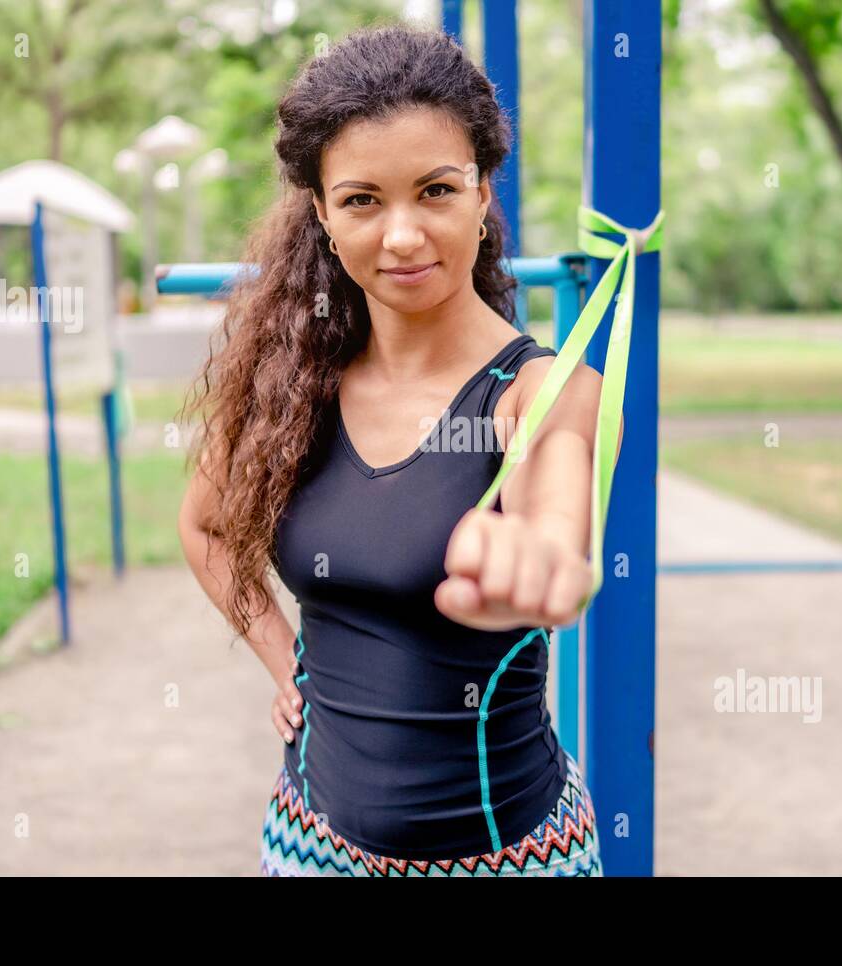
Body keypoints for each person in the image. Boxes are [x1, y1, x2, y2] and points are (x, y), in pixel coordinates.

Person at [177, 23, 619, 877]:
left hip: (512, 859)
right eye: (363, 200)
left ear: (484, 192)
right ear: (321, 212)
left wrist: (541, 557)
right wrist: (285, 664)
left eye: (437, 190)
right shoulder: (291, 382)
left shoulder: (545, 391)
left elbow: (556, 505)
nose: (404, 236)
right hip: (306, 844)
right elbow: (206, 529)